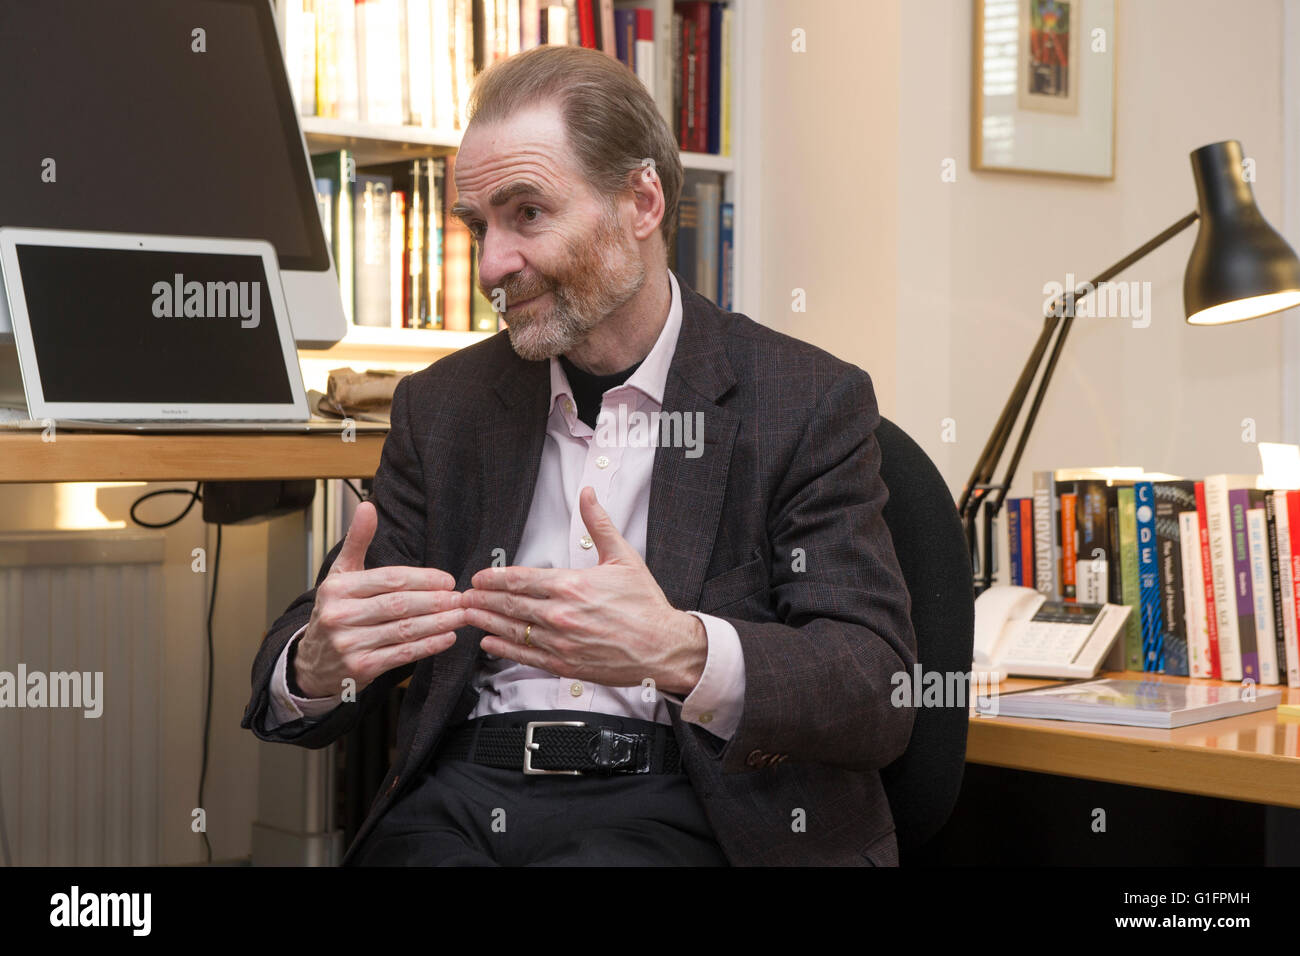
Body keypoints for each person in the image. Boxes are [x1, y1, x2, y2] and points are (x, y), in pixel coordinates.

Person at [241, 43, 917, 866]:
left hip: (688, 801)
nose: (493, 264)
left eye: (527, 213)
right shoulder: (446, 406)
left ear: (641, 201)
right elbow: (332, 630)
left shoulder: (802, 399)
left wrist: (678, 647)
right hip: (464, 802)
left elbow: (875, 685)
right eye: (477, 226)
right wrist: (316, 660)